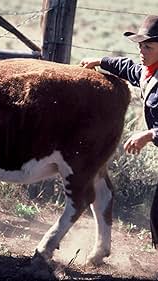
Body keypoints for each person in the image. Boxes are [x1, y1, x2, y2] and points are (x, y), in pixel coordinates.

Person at [80, 15, 158, 248]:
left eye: (149, 46)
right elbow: (128, 67)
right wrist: (99, 61)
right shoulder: (149, 72)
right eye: (140, 46)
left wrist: (149, 134)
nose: (142, 52)